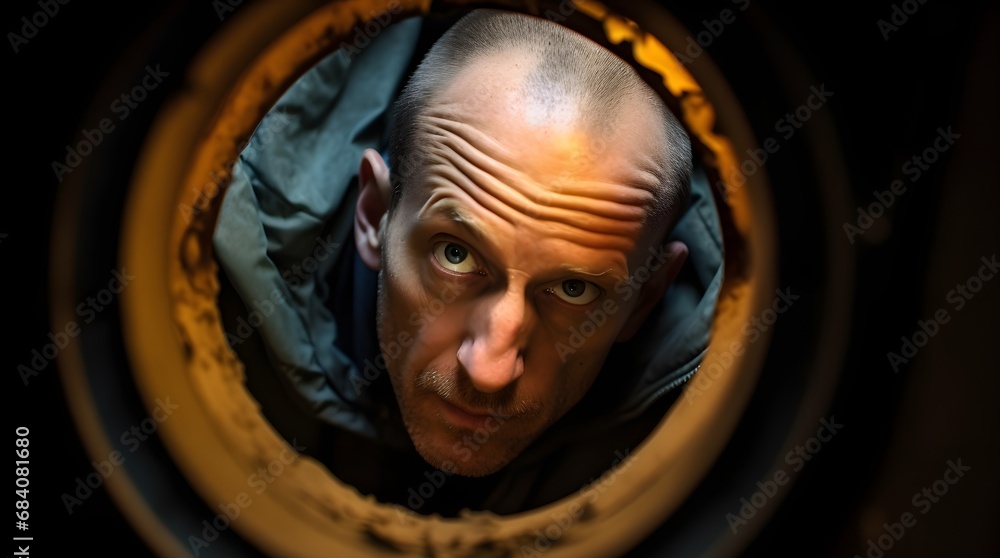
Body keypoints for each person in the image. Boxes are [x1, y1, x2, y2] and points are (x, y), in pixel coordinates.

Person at [214, 10, 723, 515]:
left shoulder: (706, 450)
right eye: (454, 255)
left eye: (574, 290)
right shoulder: (202, 276)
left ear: (645, 300)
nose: (489, 371)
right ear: (374, 215)